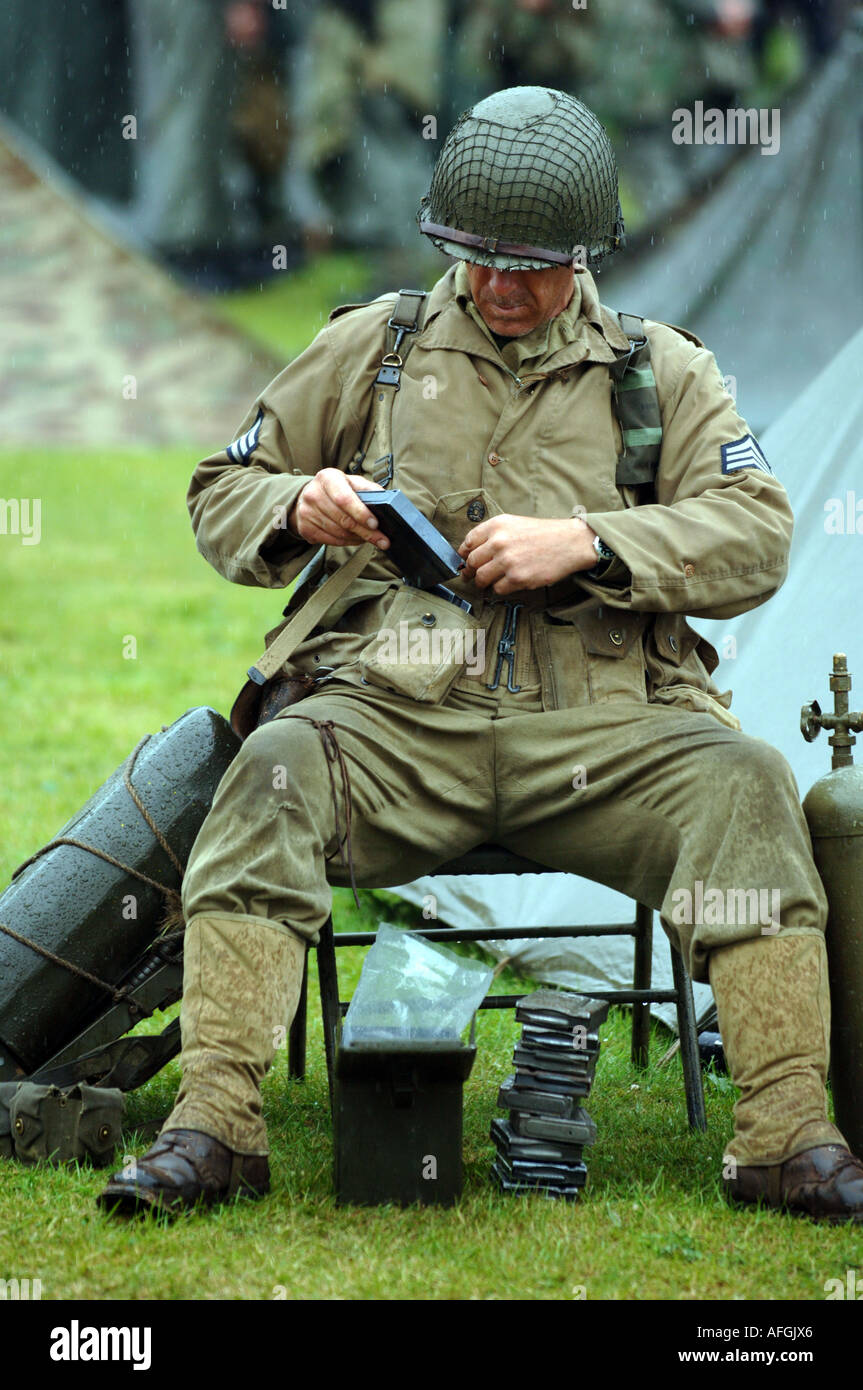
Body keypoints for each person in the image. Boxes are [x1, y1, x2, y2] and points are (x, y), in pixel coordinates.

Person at [99, 86, 863, 1221]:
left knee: (748, 786)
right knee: (269, 772)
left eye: (531, 265)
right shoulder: (375, 346)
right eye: (475, 259)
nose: (500, 288)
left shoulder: (658, 371)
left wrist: (590, 539)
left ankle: (786, 1136)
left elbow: (756, 532)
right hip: (394, 719)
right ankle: (213, 1124)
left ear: (587, 252)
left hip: (609, 730)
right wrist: (298, 504)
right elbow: (220, 489)